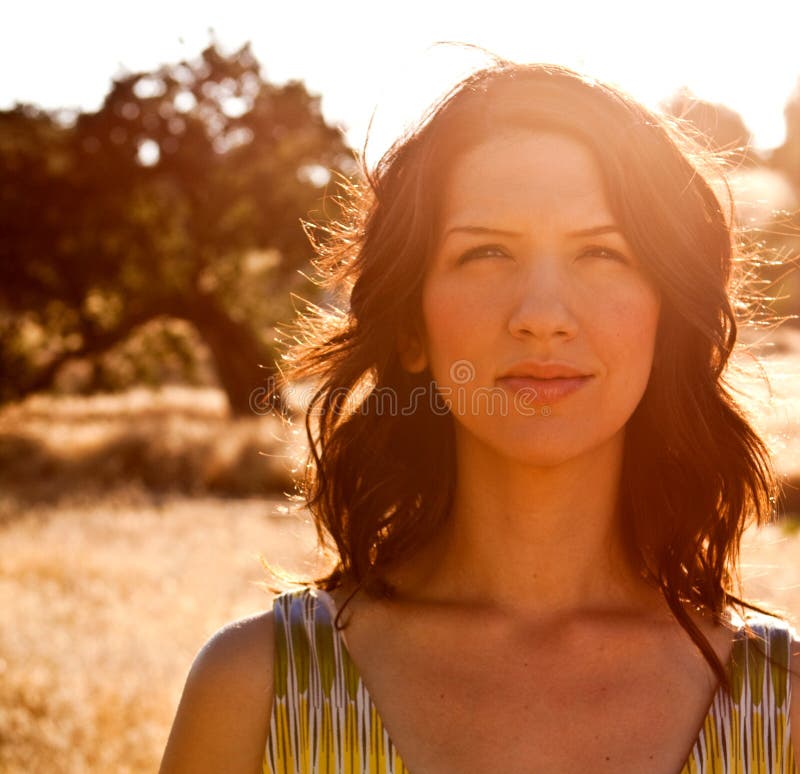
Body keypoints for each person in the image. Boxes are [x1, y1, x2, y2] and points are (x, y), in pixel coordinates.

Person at [159, 57, 800, 773]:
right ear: (412, 327)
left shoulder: (785, 708)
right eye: (487, 252)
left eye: (601, 251)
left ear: (665, 320)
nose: (543, 315)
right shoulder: (255, 690)